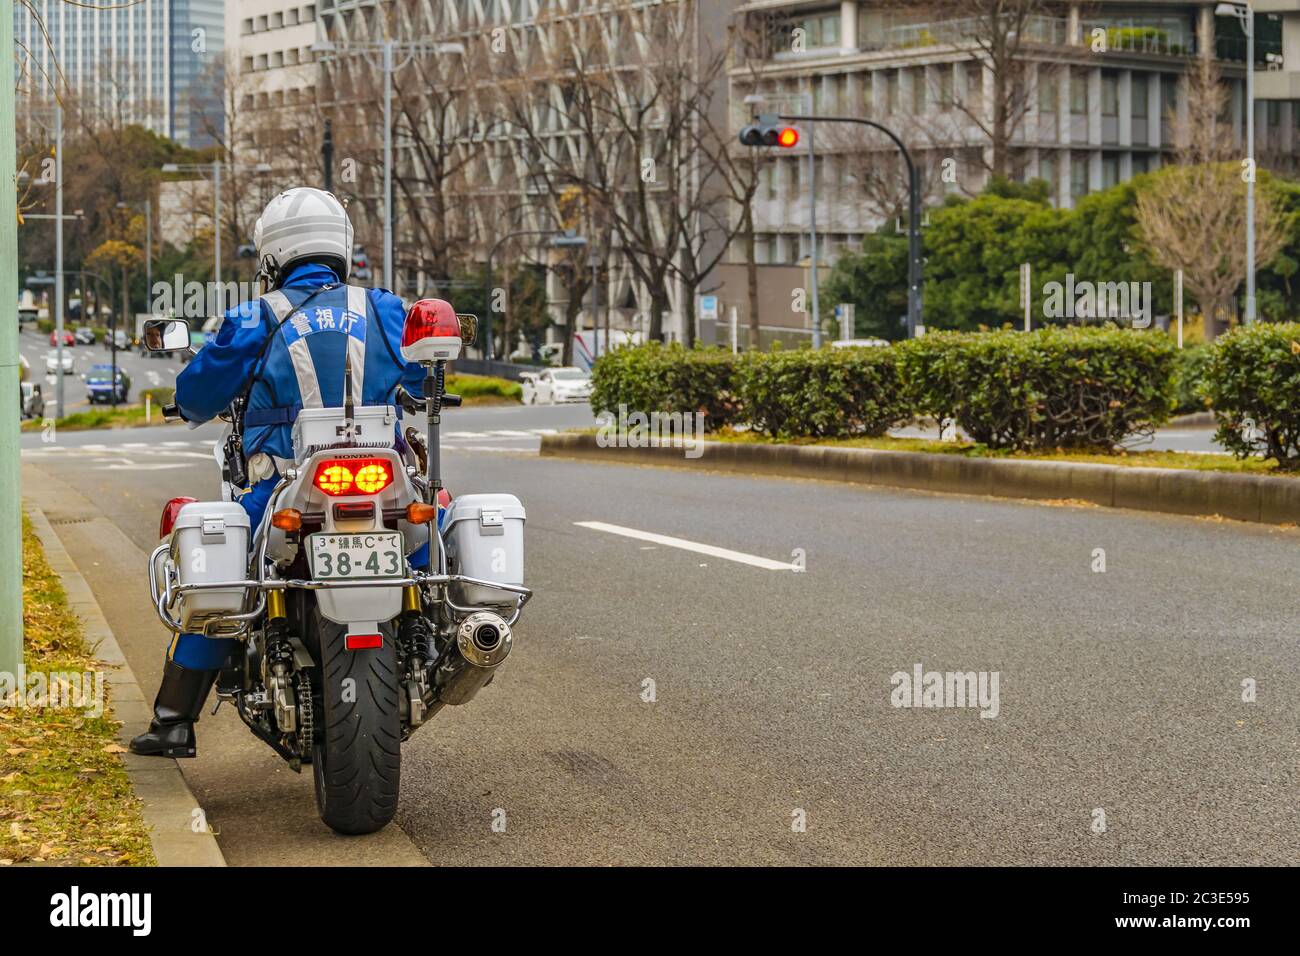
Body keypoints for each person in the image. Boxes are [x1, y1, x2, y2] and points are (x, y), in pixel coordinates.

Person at [130, 187, 427, 758]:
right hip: (386, 486)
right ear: (341, 246)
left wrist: (189, 401)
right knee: (430, 538)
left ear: (272, 255)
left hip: (279, 489)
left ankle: (174, 723)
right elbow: (423, 384)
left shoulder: (253, 317)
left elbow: (196, 395)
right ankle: (437, 634)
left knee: (223, 573)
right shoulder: (386, 309)